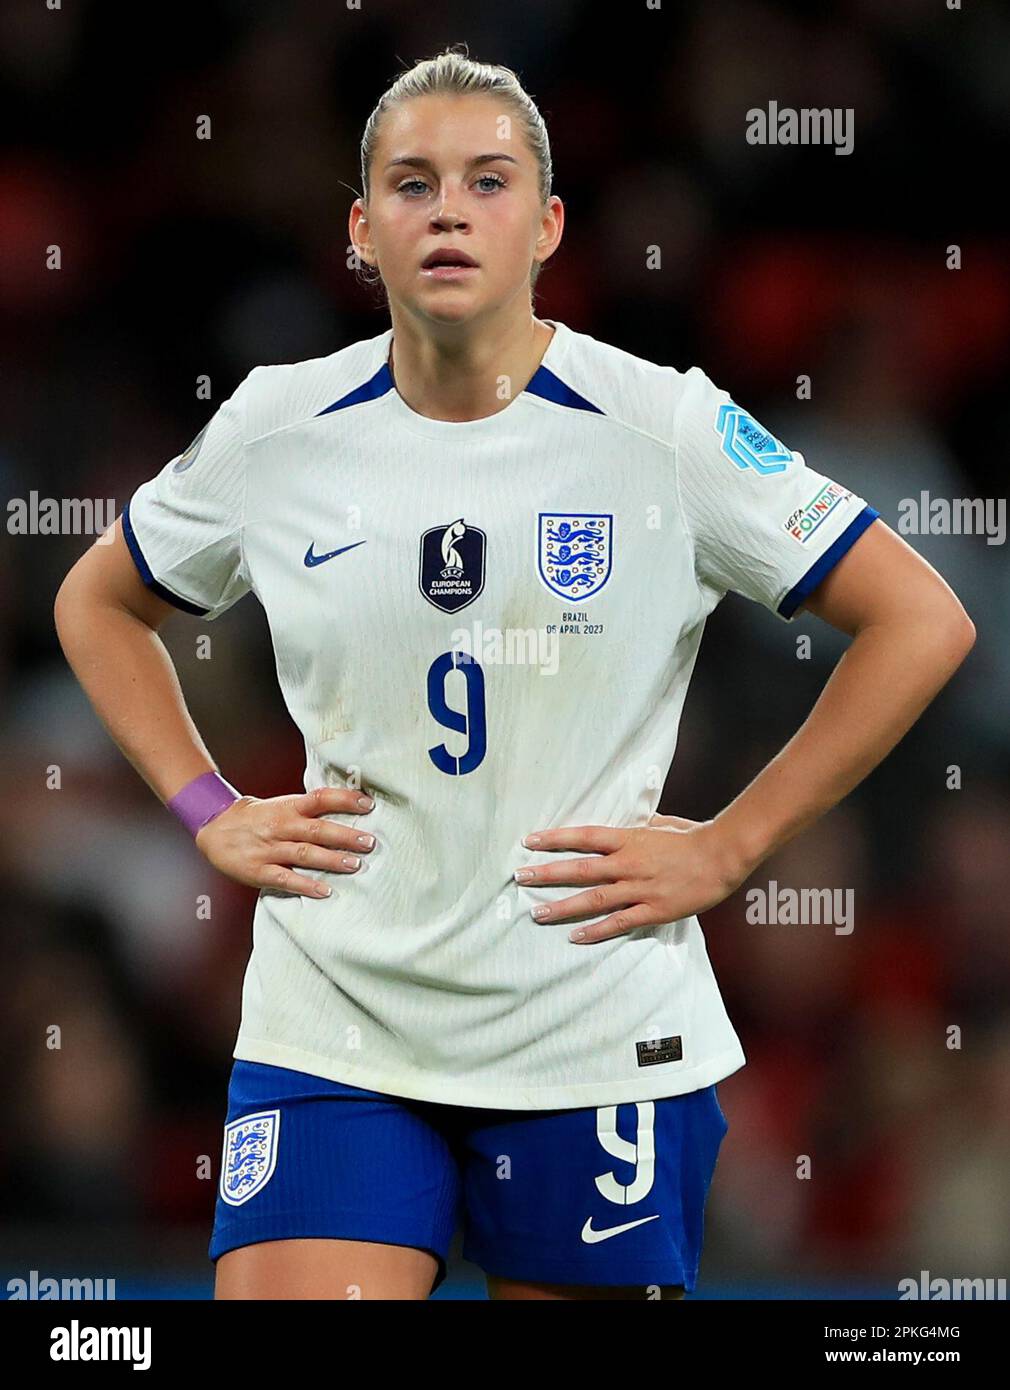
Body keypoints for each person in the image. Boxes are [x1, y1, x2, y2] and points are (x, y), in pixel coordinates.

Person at [53, 47, 975, 1301]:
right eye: (411, 183)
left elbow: (920, 619)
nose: (446, 209)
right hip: (337, 1017)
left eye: (486, 182)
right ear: (359, 229)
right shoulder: (275, 426)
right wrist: (207, 808)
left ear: (545, 225)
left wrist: (731, 845)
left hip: (586, 1022)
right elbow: (98, 598)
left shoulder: (662, 428)